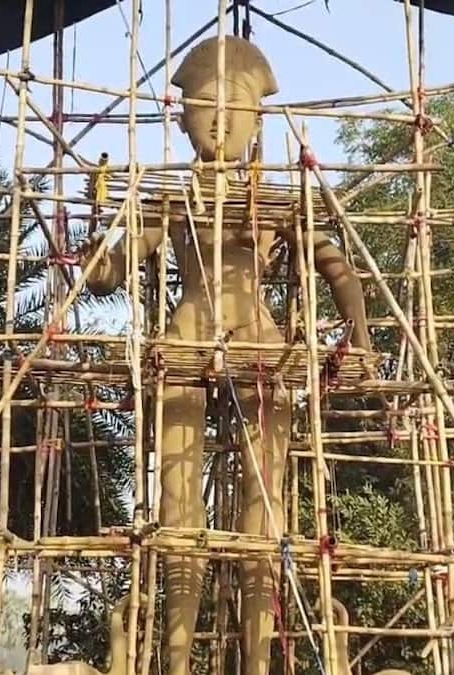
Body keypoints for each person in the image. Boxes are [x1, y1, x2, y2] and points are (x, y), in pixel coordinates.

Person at [81, 35, 370, 675]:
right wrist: (96, 238)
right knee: (178, 511)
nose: (218, 120)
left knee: (263, 516)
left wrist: (361, 331)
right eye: (204, 105)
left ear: (256, 119)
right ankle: (178, 666)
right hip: (185, 337)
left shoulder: (281, 200)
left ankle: (260, 663)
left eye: (232, 108)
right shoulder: (169, 197)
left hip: (262, 344)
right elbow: (115, 266)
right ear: (181, 116)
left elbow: (336, 268)